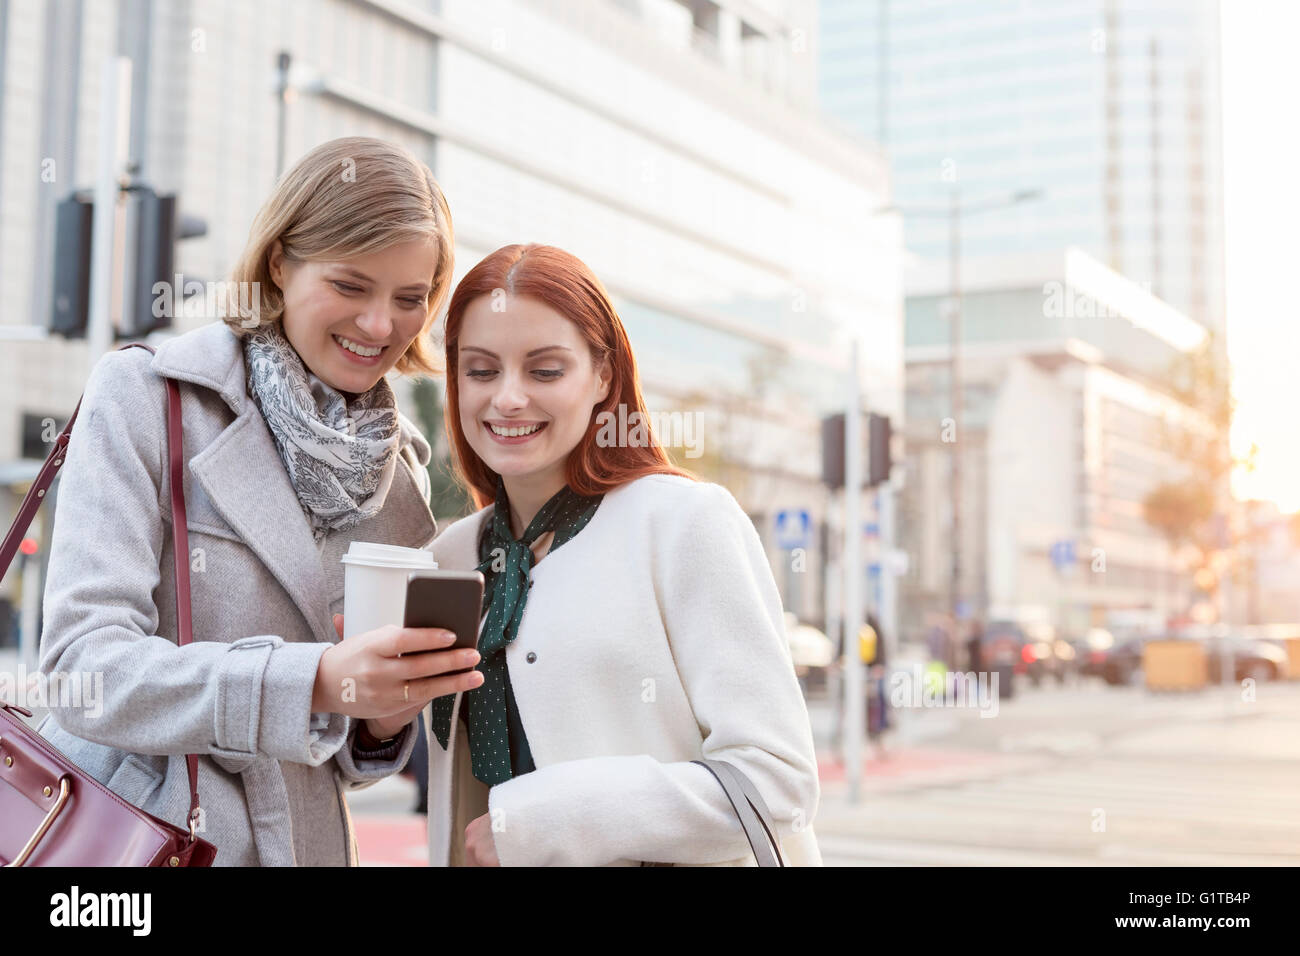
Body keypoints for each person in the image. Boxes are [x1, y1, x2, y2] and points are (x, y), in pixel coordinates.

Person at [36, 137, 482, 866]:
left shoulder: (397, 472)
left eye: (410, 298)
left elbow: (334, 756)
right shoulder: (151, 398)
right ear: (280, 262)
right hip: (135, 841)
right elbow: (83, 670)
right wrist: (311, 680)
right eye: (350, 285)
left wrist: (379, 718)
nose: (380, 326)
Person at [421, 244, 822, 866]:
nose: (507, 398)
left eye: (545, 370)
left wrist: (545, 819)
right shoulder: (449, 555)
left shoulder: (685, 523)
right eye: (480, 370)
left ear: (603, 375)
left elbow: (776, 784)